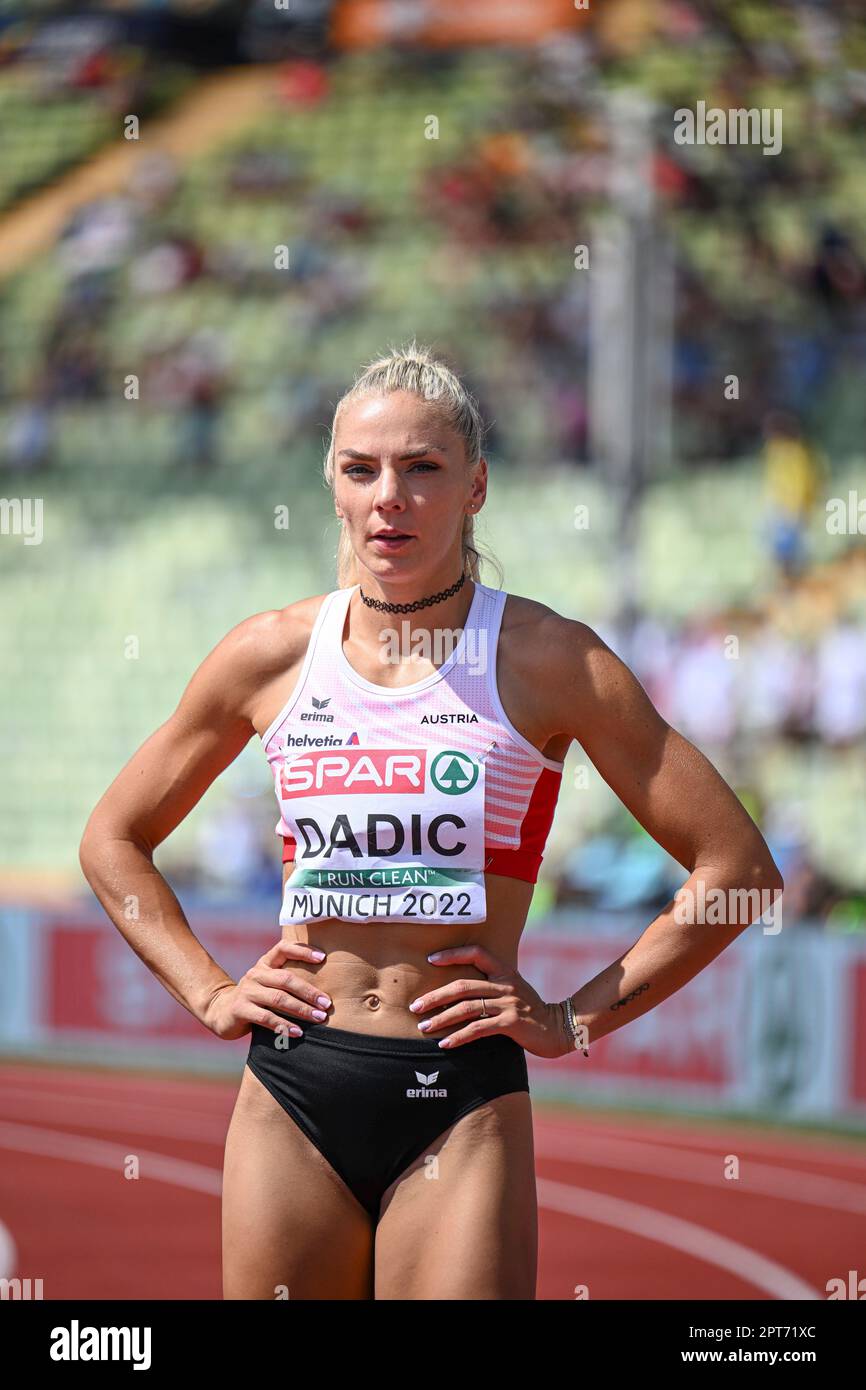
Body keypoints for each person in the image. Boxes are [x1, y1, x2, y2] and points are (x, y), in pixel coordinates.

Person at [79, 342, 783, 1300]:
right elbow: (112, 840)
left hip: (460, 1100)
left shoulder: (551, 661)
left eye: (422, 469)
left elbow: (737, 869)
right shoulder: (270, 656)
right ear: (331, 484)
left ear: (476, 487)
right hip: (293, 1087)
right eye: (361, 470)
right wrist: (207, 993)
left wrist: (574, 1020)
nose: (389, 497)